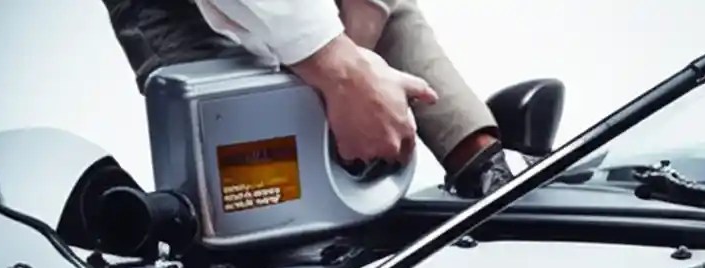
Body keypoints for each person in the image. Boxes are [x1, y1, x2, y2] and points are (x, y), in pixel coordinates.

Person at [99, 0, 514, 198]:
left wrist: (472, 147)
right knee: (257, 191)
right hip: (183, 19)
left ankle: (483, 169)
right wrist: (338, 67)